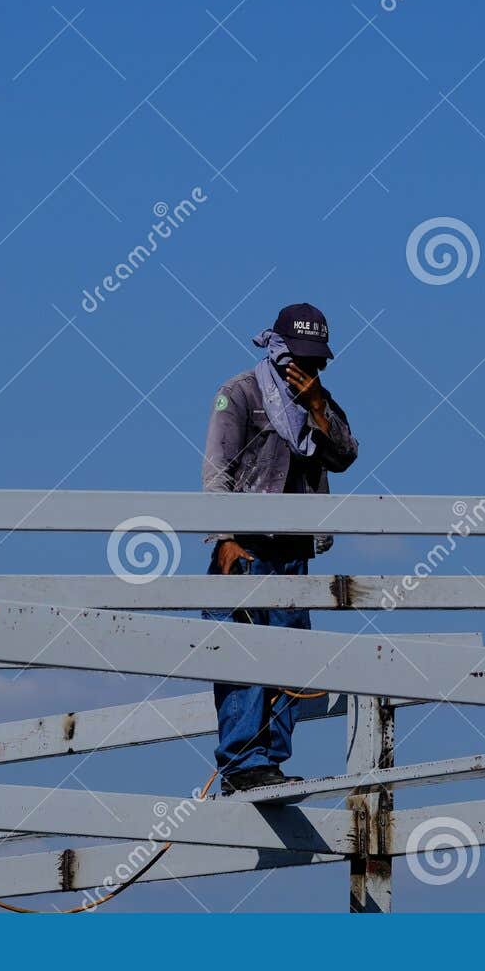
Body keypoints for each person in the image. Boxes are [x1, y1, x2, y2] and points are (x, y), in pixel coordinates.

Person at [200, 302, 360, 793]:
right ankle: (243, 764)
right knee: (242, 656)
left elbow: (346, 455)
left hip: (294, 554)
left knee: (290, 658)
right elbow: (217, 471)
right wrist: (225, 538)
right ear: (281, 351)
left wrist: (316, 407)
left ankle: (269, 761)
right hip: (246, 550)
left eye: (317, 362)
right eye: (303, 359)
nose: (310, 370)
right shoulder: (240, 393)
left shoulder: (322, 404)